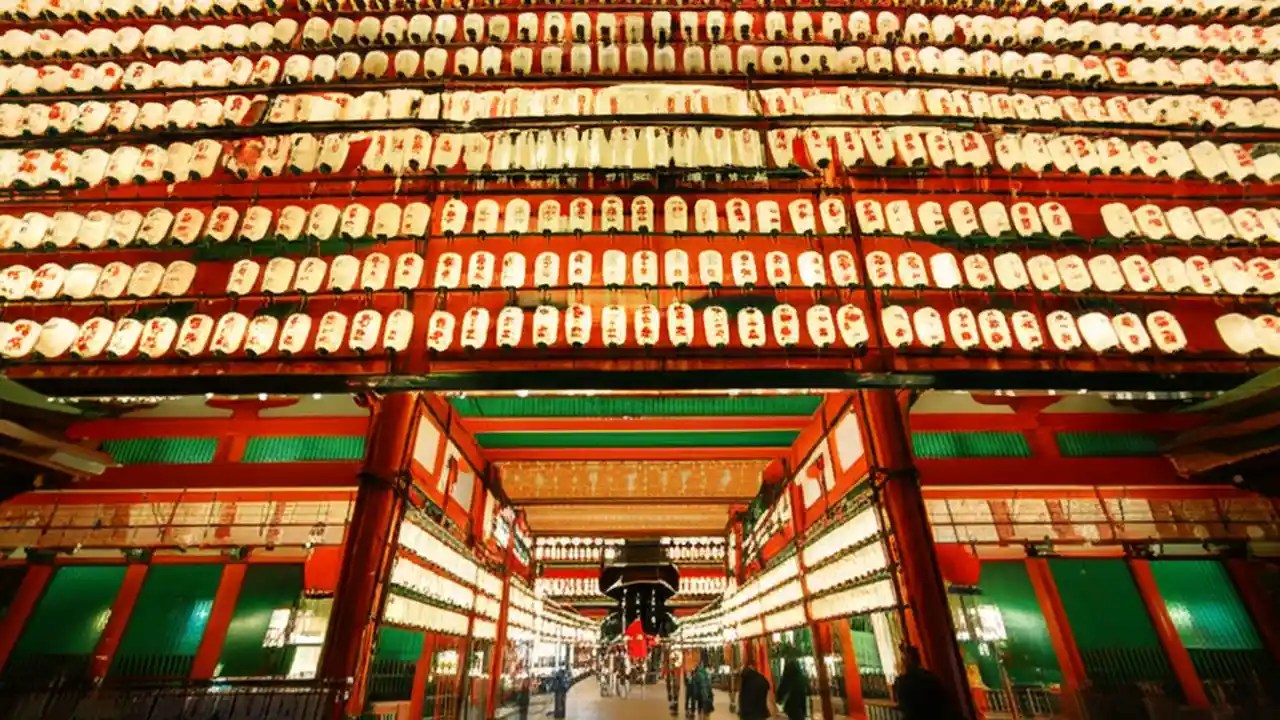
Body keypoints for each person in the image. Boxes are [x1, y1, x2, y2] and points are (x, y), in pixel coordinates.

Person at [892, 645, 954, 720]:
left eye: (902, 660)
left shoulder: (903, 682)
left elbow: (904, 706)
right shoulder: (931, 677)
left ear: (906, 662)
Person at [737, 655, 774, 720]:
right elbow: (769, 701)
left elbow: (741, 697)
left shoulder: (744, 679)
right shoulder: (763, 680)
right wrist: (775, 714)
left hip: (746, 715)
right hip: (760, 715)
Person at [688, 650, 715, 720]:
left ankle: (700, 716)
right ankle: (704, 716)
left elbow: (694, 687)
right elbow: (709, 686)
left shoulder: (698, 674)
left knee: (701, 707)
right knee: (705, 711)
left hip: (701, 695)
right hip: (706, 696)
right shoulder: (707, 673)